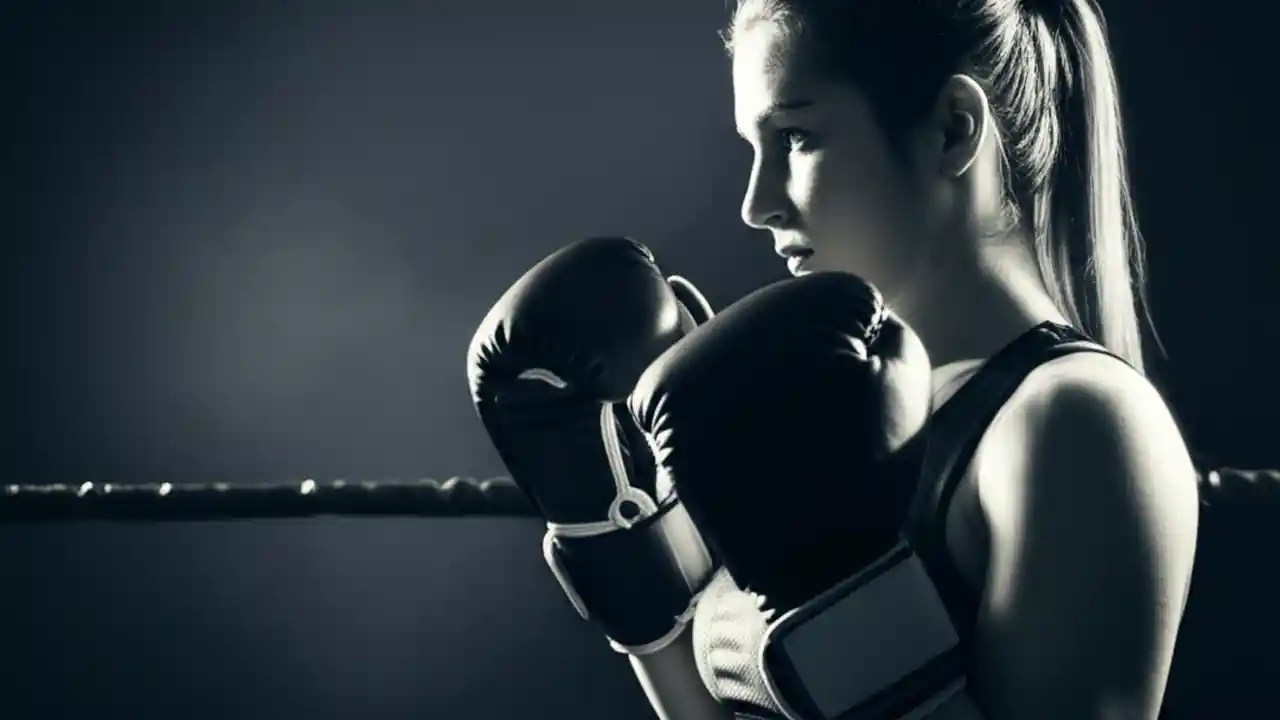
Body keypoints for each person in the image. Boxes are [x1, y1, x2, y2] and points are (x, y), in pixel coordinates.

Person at [628, 1, 1199, 718]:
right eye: (754, 146)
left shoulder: (1075, 420)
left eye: (797, 137)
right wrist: (610, 538)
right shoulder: (838, 408)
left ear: (953, 128)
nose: (756, 203)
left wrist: (852, 615)